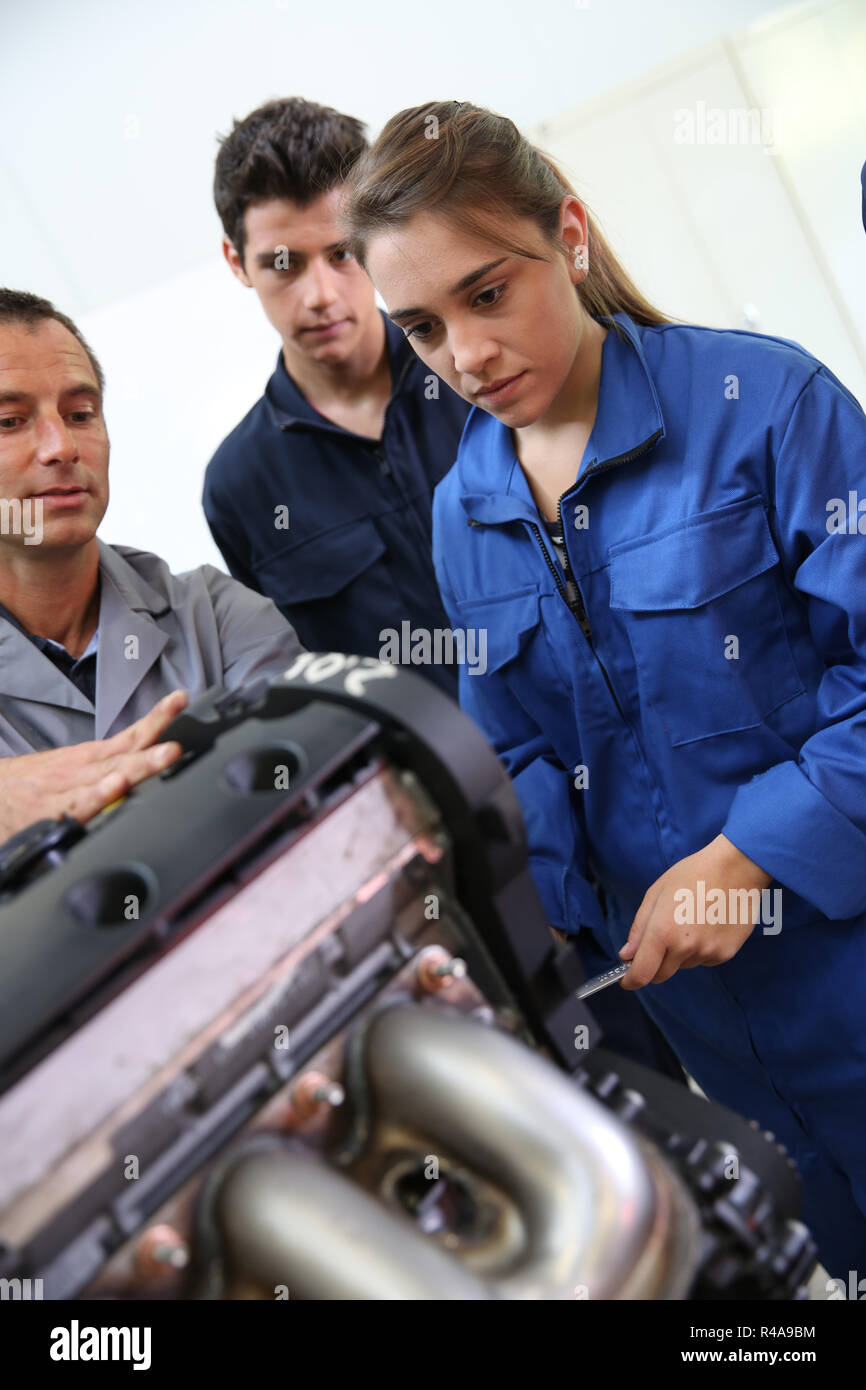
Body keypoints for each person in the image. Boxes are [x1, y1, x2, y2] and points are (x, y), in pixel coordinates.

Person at [343, 99, 866, 1276]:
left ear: (567, 237)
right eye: (419, 329)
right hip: (712, 1034)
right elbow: (517, 752)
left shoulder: (763, 407)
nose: (464, 357)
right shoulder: (463, 513)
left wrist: (748, 858)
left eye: (487, 294)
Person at [0, 289, 302, 839]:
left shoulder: (216, 617)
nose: (61, 446)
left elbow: (319, 791)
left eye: (81, 414)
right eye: (9, 420)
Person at [203, 97, 472, 698]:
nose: (320, 294)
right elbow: (293, 680)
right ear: (236, 261)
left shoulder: (478, 377)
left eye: (342, 254)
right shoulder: (239, 487)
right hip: (425, 782)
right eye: (283, 264)